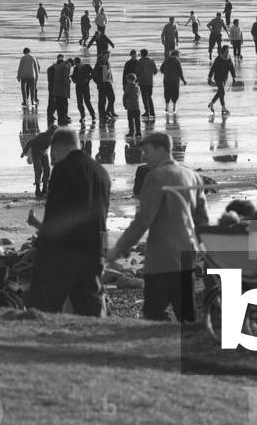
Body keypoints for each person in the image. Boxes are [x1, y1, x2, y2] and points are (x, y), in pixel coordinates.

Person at [107, 132, 208, 321]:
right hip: (187, 254)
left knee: (154, 312)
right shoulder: (193, 176)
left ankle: (163, 346)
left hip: (162, 257)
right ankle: (190, 346)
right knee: (186, 313)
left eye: (147, 151)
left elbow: (144, 219)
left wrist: (120, 248)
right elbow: (203, 219)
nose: (143, 156)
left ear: (162, 149)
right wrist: (200, 247)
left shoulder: (156, 177)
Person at [27, 129, 111, 315]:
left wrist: (41, 244)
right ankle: (93, 340)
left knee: (42, 305)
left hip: (64, 252)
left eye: (53, 154)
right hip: (94, 250)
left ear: (57, 148)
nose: (53, 158)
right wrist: (103, 253)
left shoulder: (64, 169)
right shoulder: (102, 173)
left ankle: (38, 340)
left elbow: (55, 213)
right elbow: (103, 217)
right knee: (91, 307)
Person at [21, 125, 56, 198]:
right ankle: (37, 189)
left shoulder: (53, 137)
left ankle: (45, 189)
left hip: (44, 153)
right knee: (39, 170)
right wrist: (24, 152)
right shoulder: (42, 136)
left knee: (47, 170)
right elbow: (30, 143)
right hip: (36, 153)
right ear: (51, 132)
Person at [207, 46, 235, 115]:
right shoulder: (218, 58)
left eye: (228, 51)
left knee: (220, 92)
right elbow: (213, 68)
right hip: (218, 78)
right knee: (222, 92)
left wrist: (234, 77)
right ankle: (223, 107)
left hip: (224, 78)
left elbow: (231, 68)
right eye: (227, 51)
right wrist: (209, 77)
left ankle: (211, 104)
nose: (228, 53)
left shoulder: (228, 59)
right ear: (223, 51)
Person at [47, 54, 72, 126]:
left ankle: (54, 116)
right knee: (62, 103)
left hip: (54, 87)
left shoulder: (55, 66)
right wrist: (68, 81)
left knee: (57, 103)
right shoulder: (65, 66)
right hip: (60, 89)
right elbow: (64, 78)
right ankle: (61, 118)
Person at [71, 56, 96, 123]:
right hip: (78, 86)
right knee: (79, 103)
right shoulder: (76, 68)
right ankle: (82, 115)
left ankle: (92, 114)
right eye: (76, 65)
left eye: (78, 64)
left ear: (81, 62)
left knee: (87, 101)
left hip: (85, 86)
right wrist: (73, 79)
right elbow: (73, 76)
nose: (77, 66)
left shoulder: (87, 66)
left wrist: (88, 79)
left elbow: (94, 73)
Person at [94, 50, 118, 120]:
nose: (108, 57)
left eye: (109, 55)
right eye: (107, 55)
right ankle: (102, 114)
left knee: (112, 98)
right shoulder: (99, 62)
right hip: (102, 84)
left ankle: (107, 112)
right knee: (102, 100)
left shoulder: (107, 62)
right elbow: (94, 74)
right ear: (103, 55)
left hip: (108, 83)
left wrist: (111, 81)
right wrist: (99, 82)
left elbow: (108, 73)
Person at [135, 49, 158, 119]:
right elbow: (155, 71)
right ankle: (152, 112)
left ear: (142, 54)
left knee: (144, 97)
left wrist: (136, 80)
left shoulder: (140, 61)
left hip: (142, 82)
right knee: (149, 97)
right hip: (150, 82)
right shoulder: (151, 61)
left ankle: (147, 111)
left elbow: (136, 71)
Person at [123, 73, 143, 138]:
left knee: (131, 120)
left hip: (130, 106)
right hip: (136, 106)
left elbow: (125, 97)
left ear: (130, 80)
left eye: (128, 80)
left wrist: (125, 104)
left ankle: (131, 132)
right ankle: (138, 132)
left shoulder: (128, 88)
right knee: (137, 120)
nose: (127, 81)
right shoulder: (137, 87)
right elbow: (138, 95)